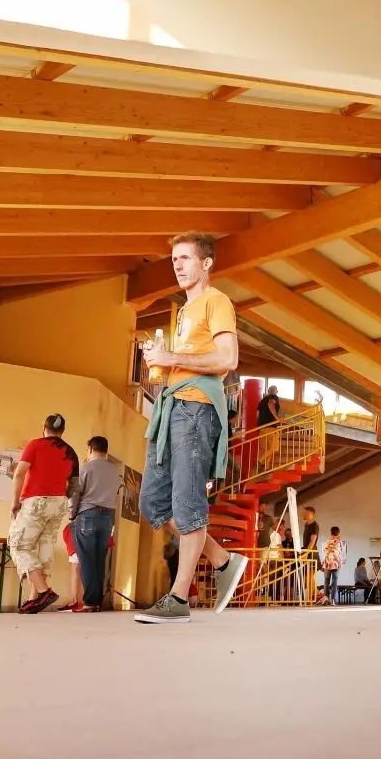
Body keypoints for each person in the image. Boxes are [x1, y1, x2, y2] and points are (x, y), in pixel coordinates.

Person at [135, 231, 248, 624]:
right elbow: (186, 357)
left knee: (186, 503)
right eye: (174, 260)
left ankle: (178, 598)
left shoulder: (217, 301)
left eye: (185, 258)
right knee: (152, 502)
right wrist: (163, 360)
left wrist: (170, 358)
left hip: (197, 407)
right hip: (172, 407)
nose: (178, 265)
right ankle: (222, 559)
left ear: (206, 263)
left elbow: (227, 359)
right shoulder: (184, 311)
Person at [8, 414, 81, 614]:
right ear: (62, 431)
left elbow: (19, 473)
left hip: (36, 501)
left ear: (44, 427)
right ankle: (34, 599)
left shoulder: (35, 445)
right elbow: (74, 485)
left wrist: (15, 501)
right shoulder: (70, 451)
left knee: (19, 545)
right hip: (59, 503)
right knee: (44, 547)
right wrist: (61, 498)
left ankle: (44, 591)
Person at [66, 435, 121, 612]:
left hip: (87, 514)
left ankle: (90, 601)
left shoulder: (86, 468)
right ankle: (97, 601)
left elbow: (75, 492)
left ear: (90, 449)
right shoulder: (115, 472)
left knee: (87, 559)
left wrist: (71, 513)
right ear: (106, 450)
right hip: (107, 518)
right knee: (99, 559)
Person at [300, 505, 321, 604]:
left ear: (310, 514)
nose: (302, 514)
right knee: (307, 578)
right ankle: (317, 596)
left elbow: (312, 541)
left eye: (304, 513)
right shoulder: (306, 525)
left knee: (309, 578)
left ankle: (316, 597)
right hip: (307, 552)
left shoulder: (314, 525)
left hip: (312, 554)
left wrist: (306, 553)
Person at [322, 526, 346, 604]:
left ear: (331, 533)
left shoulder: (326, 542)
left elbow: (324, 552)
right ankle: (333, 600)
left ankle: (325, 598)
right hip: (336, 562)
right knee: (334, 582)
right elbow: (341, 553)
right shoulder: (340, 542)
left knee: (326, 581)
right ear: (338, 533)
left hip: (327, 562)